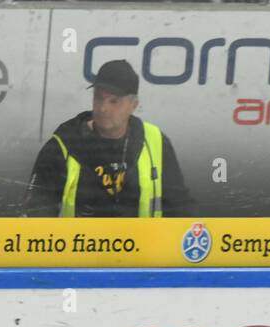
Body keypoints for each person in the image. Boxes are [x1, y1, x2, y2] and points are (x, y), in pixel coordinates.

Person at [24, 59, 192, 218]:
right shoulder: (64, 144)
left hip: (141, 247)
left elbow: (181, 209)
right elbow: (35, 214)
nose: (103, 108)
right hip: (80, 245)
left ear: (133, 105)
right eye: (98, 98)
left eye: (114, 101)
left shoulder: (155, 142)